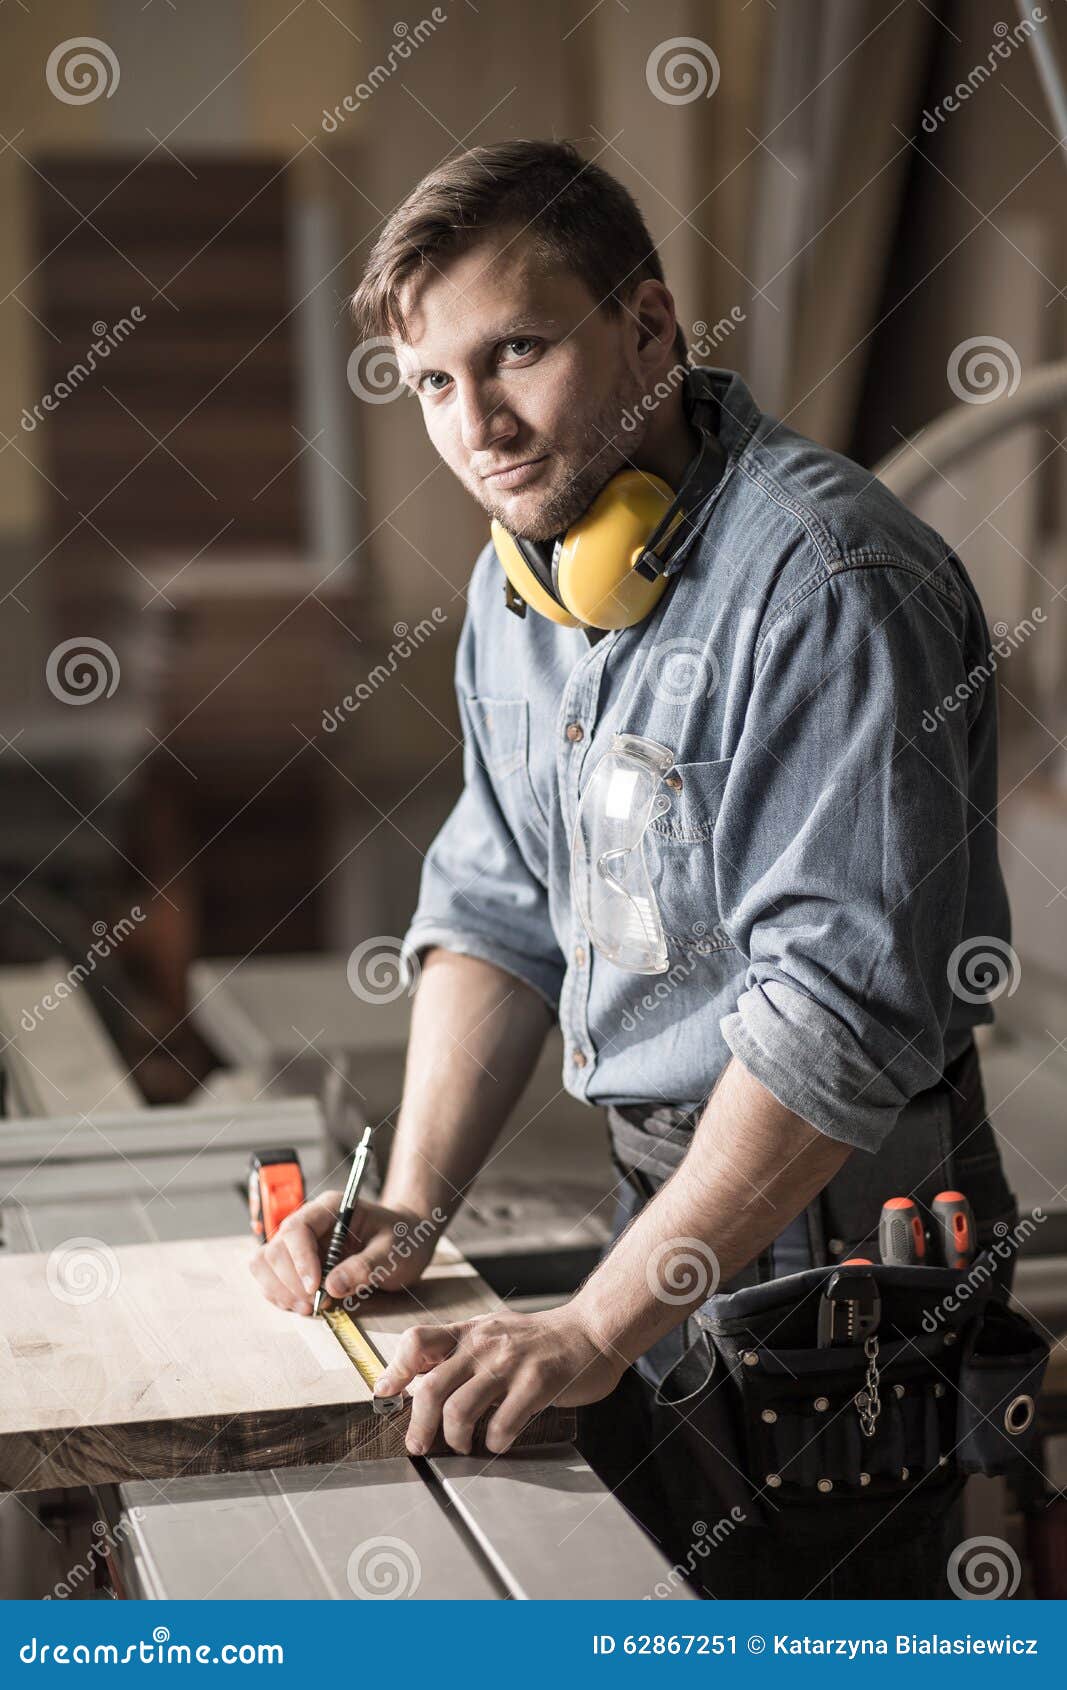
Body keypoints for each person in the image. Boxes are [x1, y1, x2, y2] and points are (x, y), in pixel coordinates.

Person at [250, 140, 1017, 1598]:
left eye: (517, 351)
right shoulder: (519, 580)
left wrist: (591, 1329)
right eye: (429, 383)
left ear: (652, 328)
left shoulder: (830, 584)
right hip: (660, 1206)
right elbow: (496, 903)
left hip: (835, 1244)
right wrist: (411, 1206)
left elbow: (835, 1025)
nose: (476, 424)